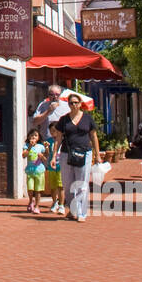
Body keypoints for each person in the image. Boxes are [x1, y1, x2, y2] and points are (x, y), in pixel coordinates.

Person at [51, 92, 101, 222]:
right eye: (71, 103)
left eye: (76, 102)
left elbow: (94, 136)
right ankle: (73, 209)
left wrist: (98, 155)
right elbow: (58, 138)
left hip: (85, 153)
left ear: (80, 104)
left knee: (82, 183)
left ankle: (81, 212)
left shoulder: (87, 119)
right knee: (67, 184)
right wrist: (54, 155)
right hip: (67, 153)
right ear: (68, 104)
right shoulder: (64, 119)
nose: (73, 105)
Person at [22, 129, 47, 214]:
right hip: (30, 171)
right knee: (30, 188)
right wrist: (29, 147)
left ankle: (37, 206)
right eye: (32, 135)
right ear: (28, 137)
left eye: (35, 135)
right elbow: (24, 155)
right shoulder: (26, 146)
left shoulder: (41, 147)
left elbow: (45, 158)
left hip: (39, 170)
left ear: (38, 137)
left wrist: (42, 156)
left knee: (38, 189)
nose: (33, 137)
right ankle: (30, 201)